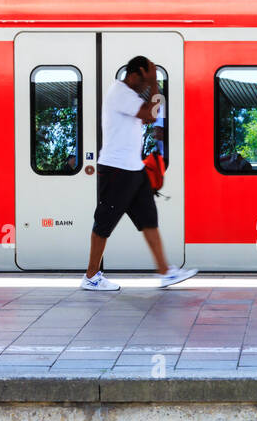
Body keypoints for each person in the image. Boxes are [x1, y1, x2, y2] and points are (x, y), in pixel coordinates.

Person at [81, 55, 196, 292]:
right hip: (116, 169)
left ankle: (166, 272)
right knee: (104, 223)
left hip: (134, 169)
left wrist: (152, 84)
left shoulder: (131, 97)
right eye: (145, 78)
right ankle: (91, 276)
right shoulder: (119, 93)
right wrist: (155, 82)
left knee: (149, 220)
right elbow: (152, 114)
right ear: (133, 74)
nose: (147, 84)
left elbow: (151, 114)